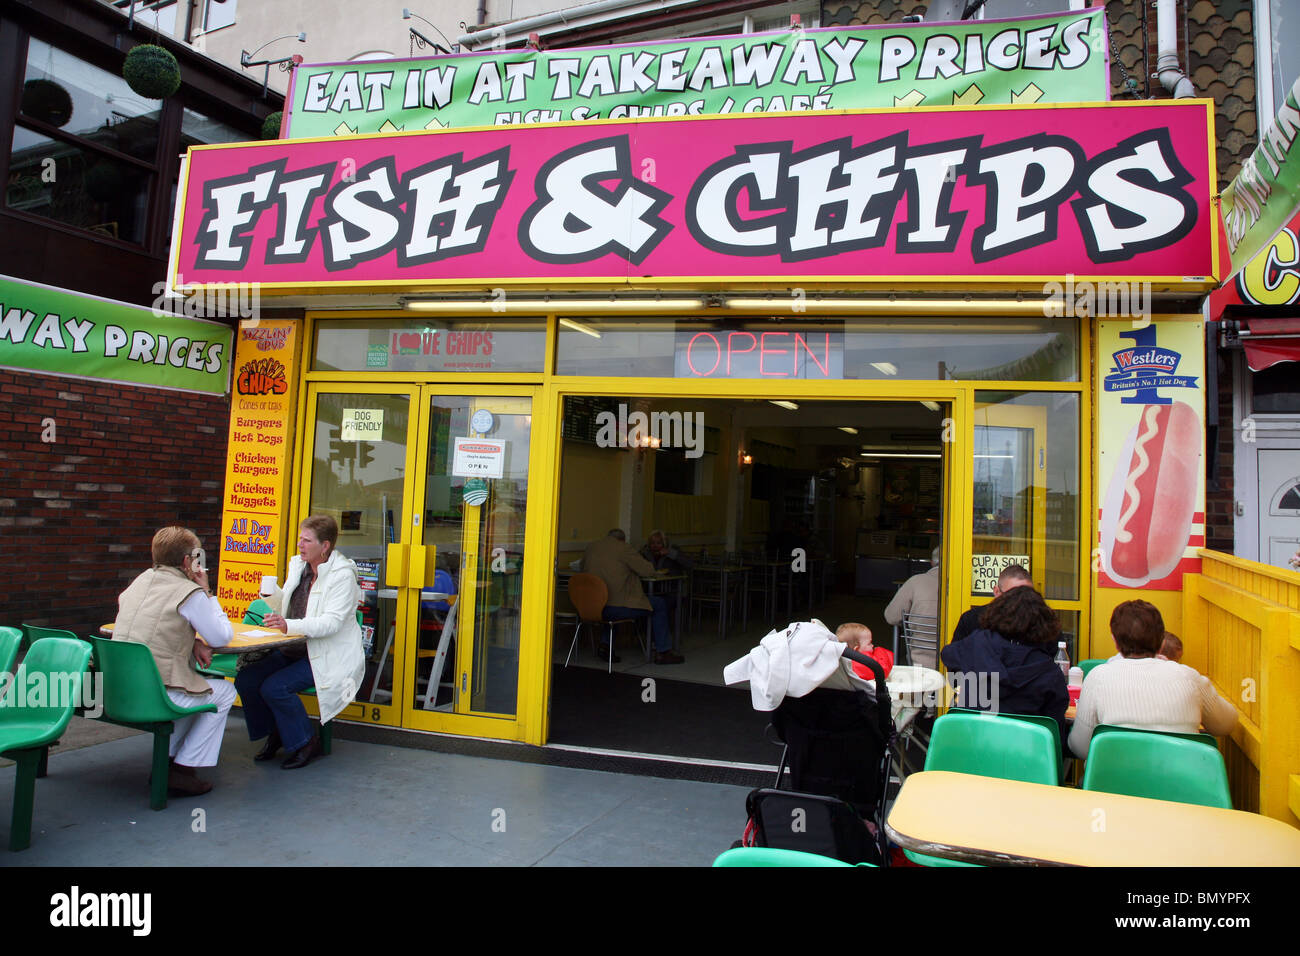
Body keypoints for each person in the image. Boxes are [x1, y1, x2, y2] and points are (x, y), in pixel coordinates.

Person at [235, 515, 365, 769]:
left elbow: (332, 623)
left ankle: (306, 742)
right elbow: (289, 607)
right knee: (247, 679)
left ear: (325, 546)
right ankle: (279, 734)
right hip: (292, 648)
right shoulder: (299, 566)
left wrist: (288, 626)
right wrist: (271, 597)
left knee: (275, 688)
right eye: (299, 539)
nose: (299, 545)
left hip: (325, 653)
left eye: (306, 540)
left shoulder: (342, 576)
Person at [113, 526, 235, 796]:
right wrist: (206, 590)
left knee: (196, 686)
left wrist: (191, 641)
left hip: (117, 687)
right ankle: (183, 767)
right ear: (186, 561)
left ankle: (167, 760)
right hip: (154, 694)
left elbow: (153, 623)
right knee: (224, 692)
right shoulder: (189, 592)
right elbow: (221, 637)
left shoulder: (141, 580)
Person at [1068, 600, 1237, 759]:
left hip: (1111, 787)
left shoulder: (1098, 677)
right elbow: (1225, 724)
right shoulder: (1189, 677)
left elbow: (1081, 748)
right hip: (1182, 787)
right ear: (1162, 642)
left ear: (1115, 642)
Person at [939, 585, 1069, 747]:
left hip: (968, 752)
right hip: (1026, 761)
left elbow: (948, 655)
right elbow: (1054, 732)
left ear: (997, 613)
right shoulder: (1050, 672)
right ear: (1044, 624)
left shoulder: (978, 644)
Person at [582, 528, 683, 665]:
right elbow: (647, 570)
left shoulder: (591, 547)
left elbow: (582, 568)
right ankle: (663, 652)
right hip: (614, 608)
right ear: (622, 540)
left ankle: (605, 645)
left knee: (612, 601)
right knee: (658, 603)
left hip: (589, 607)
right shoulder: (624, 548)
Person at [884, 547, 940, 667]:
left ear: (931, 562)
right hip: (957, 663)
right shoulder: (964, 585)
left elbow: (891, 617)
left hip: (920, 662)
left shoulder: (915, 582)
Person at [952, 563, 1032, 642]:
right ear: (997, 591)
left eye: (1027, 595)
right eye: (1012, 596)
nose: (1019, 602)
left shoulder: (1037, 623)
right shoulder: (972, 620)